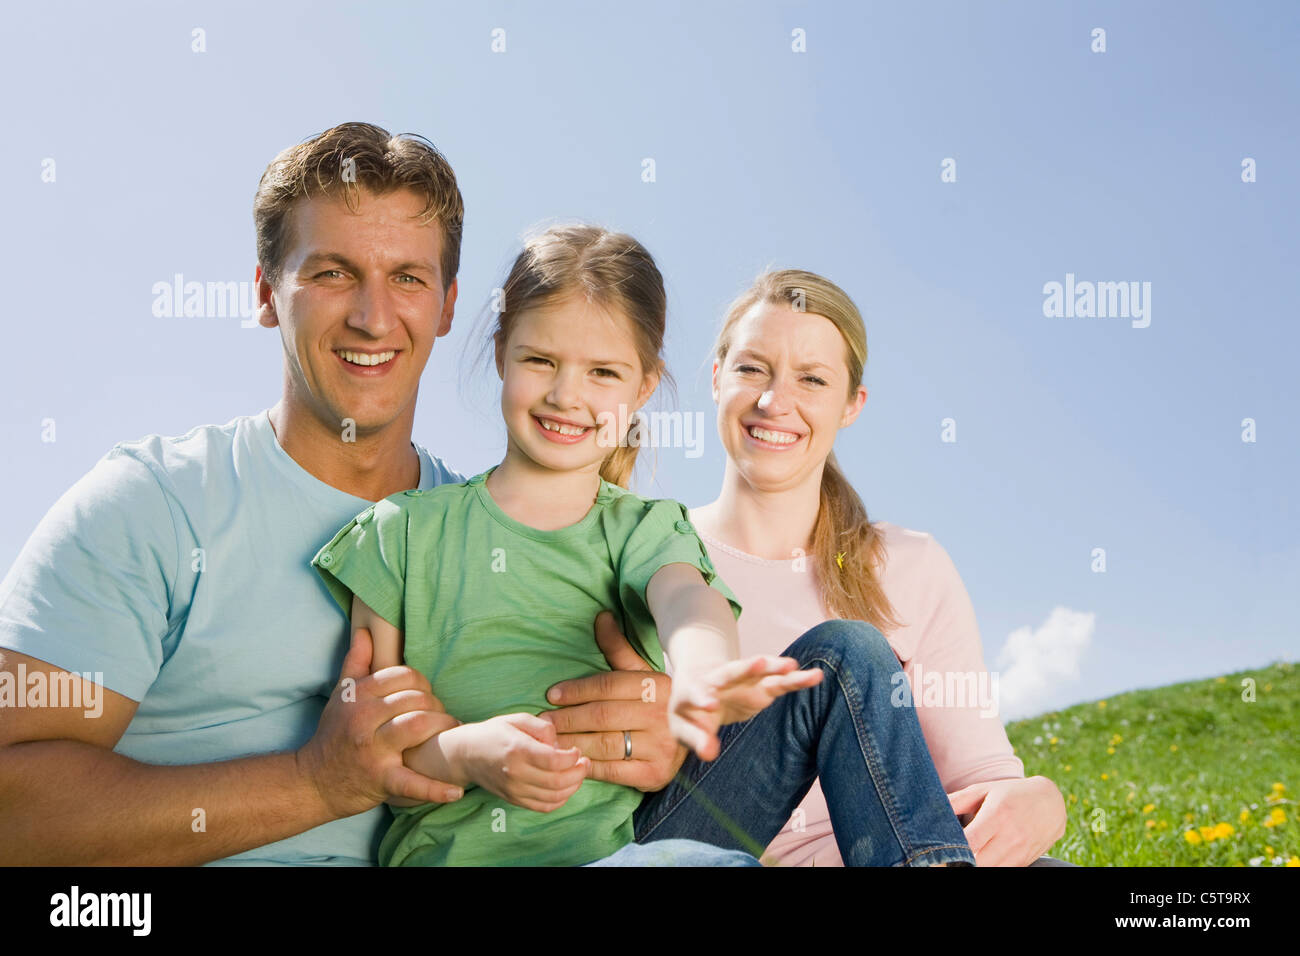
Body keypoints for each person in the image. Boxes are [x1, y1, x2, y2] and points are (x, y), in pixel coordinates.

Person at [0, 122, 969, 866]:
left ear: (451, 304)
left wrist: (662, 729)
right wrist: (313, 779)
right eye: (331, 272)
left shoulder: (506, 527)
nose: (374, 314)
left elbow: (675, 611)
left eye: (407, 277)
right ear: (266, 292)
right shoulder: (156, 505)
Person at [310, 224, 828, 866]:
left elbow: (687, 602)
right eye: (540, 360)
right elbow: (381, 744)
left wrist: (701, 673)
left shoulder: (642, 530)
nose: (566, 396)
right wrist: (471, 751)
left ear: (644, 386)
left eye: (603, 372)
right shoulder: (402, 534)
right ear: (501, 353)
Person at [679, 268, 1070, 867]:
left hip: (883, 856)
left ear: (852, 406)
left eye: (812, 379)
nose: (774, 401)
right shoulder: (653, 551)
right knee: (848, 652)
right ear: (716, 377)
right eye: (752, 368)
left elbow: (984, 780)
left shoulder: (912, 567)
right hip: (707, 853)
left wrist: (1041, 799)